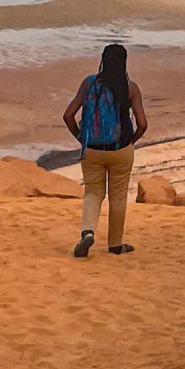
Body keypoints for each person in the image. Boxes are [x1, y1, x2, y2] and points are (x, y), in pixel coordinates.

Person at [62, 42, 147, 258]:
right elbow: (142, 124)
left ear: (103, 61)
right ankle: (115, 245)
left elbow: (68, 115)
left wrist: (81, 138)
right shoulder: (130, 88)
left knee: (93, 192)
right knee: (117, 196)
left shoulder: (89, 84)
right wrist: (131, 142)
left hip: (91, 149)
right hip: (121, 150)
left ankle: (88, 232)